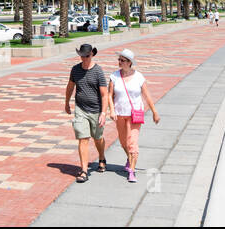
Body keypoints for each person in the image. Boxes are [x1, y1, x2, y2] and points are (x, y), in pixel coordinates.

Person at [108, 48, 159, 183]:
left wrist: (154, 112)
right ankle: (129, 159)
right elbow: (109, 95)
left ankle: (132, 170)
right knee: (124, 141)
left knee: (132, 142)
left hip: (134, 114)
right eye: (119, 59)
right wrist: (111, 110)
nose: (119, 62)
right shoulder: (114, 76)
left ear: (129, 62)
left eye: (122, 60)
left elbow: (146, 95)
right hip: (119, 113)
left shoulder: (139, 77)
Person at [64, 43, 110, 182]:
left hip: (96, 110)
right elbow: (70, 86)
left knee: (97, 138)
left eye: (87, 56)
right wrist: (66, 102)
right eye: (82, 56)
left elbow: (104, 94)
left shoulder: (98, 71)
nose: (84, 58)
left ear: (92, 55)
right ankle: (84, 171)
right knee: (83, 138)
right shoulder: (75, 70)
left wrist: (103, 113)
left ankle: (101, 157)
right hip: (81, 109)